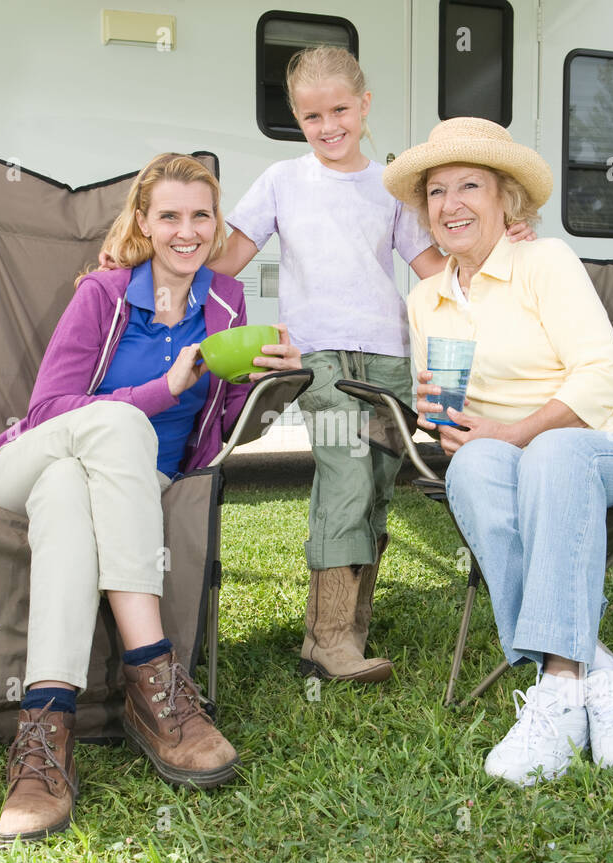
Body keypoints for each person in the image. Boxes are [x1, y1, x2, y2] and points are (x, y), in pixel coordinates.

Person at [0, 153, 301, 842]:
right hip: (27, 462)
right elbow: (46, 412)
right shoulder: (103, 293)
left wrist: (268, 381)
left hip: (129, 483)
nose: (188, 230)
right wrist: (164, 389)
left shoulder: (226, 302)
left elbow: (230, 419)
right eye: (171, 216)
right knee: (108, 432)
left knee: (69, 495)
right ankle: (154, 680)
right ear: (145, 225)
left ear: (218, 223)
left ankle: (44, 732)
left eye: (202, 215)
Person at [207, 46, 533, 684]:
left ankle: (345, 630)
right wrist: (156, 268)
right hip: (319, 357)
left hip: (391, 356)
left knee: (378, 485)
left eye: (339, 110)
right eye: (310, 116)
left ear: (364, 105)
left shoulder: (390, 188)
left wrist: (502, 246)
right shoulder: (282, 181)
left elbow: (436, 269)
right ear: (295, 118)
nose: (328, 127)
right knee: (348, 477)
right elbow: (227, 260)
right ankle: (330, 640)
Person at [382, 118, 613, 785]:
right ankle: (600, 680)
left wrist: (514, 433)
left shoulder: (543, 262)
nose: (451, 203)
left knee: (550, 453)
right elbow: (456, 418)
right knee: (471, 463)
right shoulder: (424, 298)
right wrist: (445, 419)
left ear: (505, 200)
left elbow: (601, 377)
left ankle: (554, 688)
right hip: (527, 463)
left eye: (471, 185)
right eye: (437, 190)